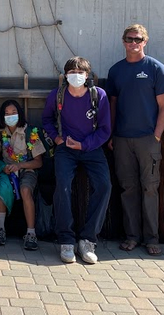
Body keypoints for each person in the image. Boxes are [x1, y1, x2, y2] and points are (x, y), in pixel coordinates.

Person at [106, 23, 164, 256]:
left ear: (145, 42)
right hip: (122, 139)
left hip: (147, 139)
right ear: (123, 41)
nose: (133, 43)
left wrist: (156, 136)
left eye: (138, 39)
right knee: (128, 188)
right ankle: (132, 236)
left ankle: (151, 238)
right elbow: (112, 105)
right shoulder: (115, 71)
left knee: (150, 189)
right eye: (129, 39)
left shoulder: (157, 69)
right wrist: (112, 133)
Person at [42, 57, 112, 264]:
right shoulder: (57, 95)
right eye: (71, 71)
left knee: (104, 186)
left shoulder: (98, 95)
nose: (76, 75)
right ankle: (66, 239)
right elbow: (46, 120)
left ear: (87, 75)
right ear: (65, 75)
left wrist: (85, 145)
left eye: (80, 72)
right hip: (65, 150)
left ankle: (88, 239)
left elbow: (105, 129)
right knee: (62, 185)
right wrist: (57, 138)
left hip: (92, 148)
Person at [0, 99, 45, 251]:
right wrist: (4, 168)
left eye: (14, 113)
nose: (10, 116)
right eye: (7, 114)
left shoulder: (30, 133)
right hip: (7, 171)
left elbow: (38, 162)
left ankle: (31, 233)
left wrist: (20, 165)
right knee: (2, 186)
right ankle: (0, 230)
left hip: (27, 170)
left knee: (25, 190)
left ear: (19, 114)